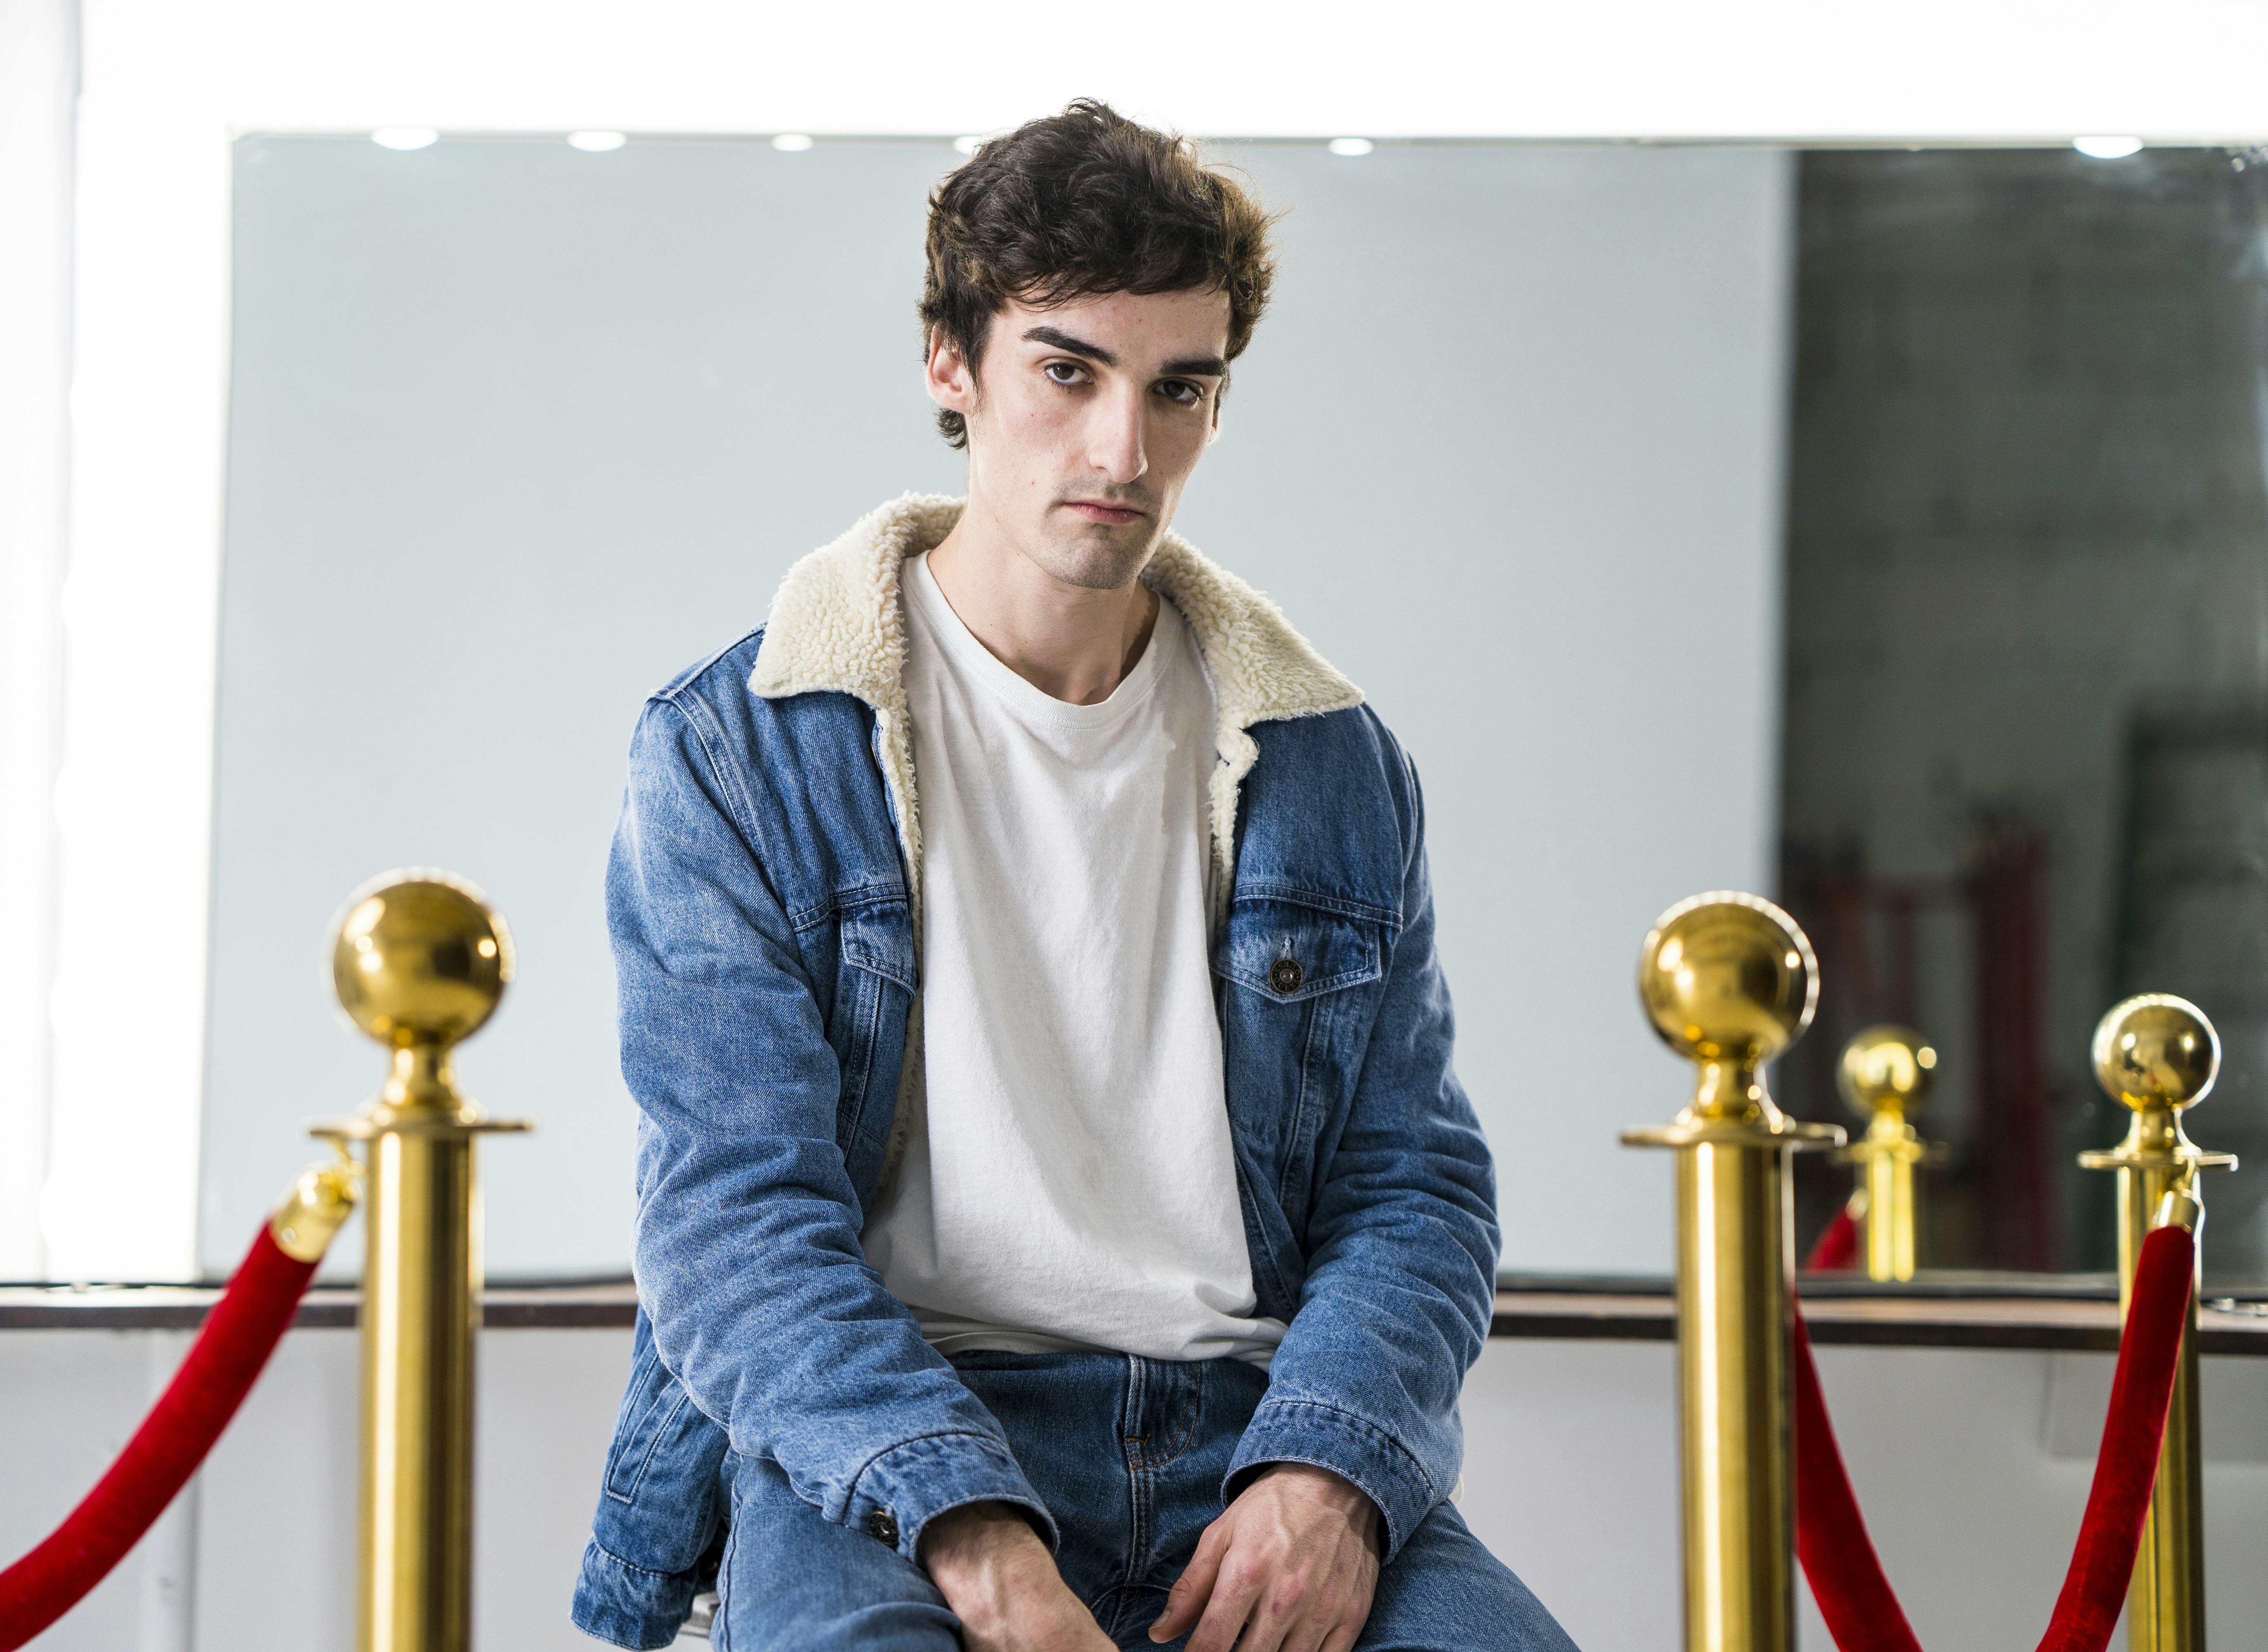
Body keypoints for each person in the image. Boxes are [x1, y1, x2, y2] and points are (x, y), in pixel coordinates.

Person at [571, 100, 1576, 1652]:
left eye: (1182, 390)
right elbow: (733, 1224)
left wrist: (1328, 1477)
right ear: (949, 364)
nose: (1126, 450)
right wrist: (972, 1533)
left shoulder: (1329, 760)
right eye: (1068, 370)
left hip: (1253, 1434)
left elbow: (1414, 1184)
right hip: (897, 1436)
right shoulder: (741, 752)